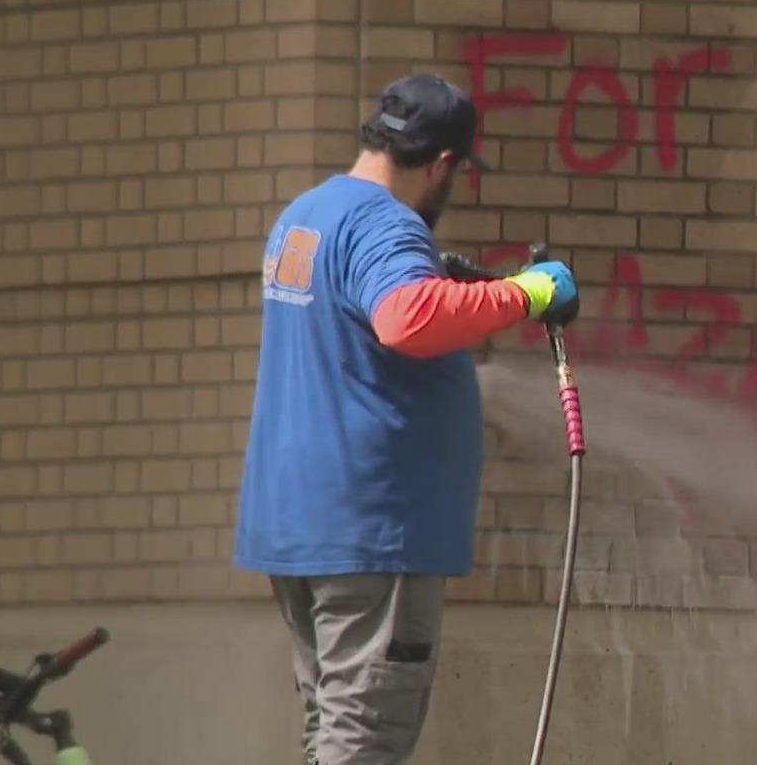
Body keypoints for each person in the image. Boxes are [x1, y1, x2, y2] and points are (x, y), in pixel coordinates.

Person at [233, 73, 580, 764]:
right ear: (443, 163)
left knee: (333, 732)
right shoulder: (385, 223)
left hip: (303, 525)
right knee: (363, 742)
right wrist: (525, 293)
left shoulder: (307, 214)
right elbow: (405, 319)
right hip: (373, 532)